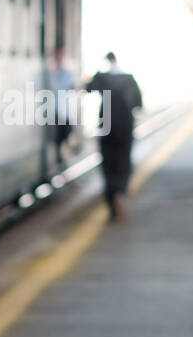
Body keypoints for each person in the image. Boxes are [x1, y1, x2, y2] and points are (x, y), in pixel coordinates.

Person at [84, 52, 142, 221]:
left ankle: (111, 199)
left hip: (107, 125)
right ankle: (120, 192)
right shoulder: (129, 79)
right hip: (125, 127)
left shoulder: (102, 78)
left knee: (108, 163)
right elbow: (138, 104)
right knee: (123, 162)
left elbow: (87, 89)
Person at [50, 46, 77, 167]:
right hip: (54, 111)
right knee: (57, 138)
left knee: (65, 134)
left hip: (64, 111)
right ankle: (58, 159)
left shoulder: (67, 73)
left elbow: (72, 87)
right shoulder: (51, 74)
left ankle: (64, 158)